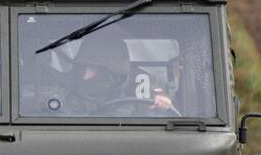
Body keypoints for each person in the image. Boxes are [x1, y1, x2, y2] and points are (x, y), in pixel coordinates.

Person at [45, 32, 175, 116]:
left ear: (112, 75)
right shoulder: (65, 92)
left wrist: (163, 103)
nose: (84, 75)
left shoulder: (135, 92)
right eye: (82, 68)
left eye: (93, 69)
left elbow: (165, 103)